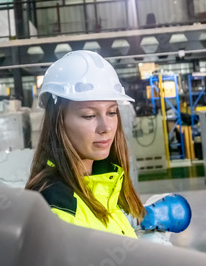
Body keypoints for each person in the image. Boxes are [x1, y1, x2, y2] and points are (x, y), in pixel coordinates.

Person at [25, 50, 146, 237]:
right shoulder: (59, 209)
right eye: (89, 115)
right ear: (58, 122)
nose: (106, 127)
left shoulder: (105, 185)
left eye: (112, 112)